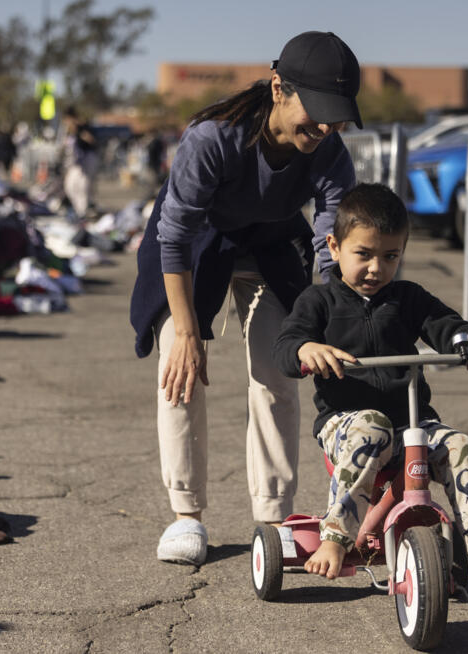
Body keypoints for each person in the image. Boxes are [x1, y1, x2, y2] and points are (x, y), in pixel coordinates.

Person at [129, 31, 362, 566]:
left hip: (274, 243)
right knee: (178, 366)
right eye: (319, 112)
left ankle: (274, 515)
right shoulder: (213, 137)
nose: (327, 128)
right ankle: (186, 515)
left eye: (338, 116)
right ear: (279, 87)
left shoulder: (328, 151)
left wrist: (334, 317)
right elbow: (176, 235)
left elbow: (332, 244)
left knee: (282, 369)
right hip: (196, 245)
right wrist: (187, 330)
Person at [272, 183, 468, 610]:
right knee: (372, 424)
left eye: (390, 256)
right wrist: (306, 350)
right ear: (334, 247)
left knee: (461, 446)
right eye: (364, 254)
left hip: (413, 423)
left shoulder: (408, 299)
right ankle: (337, 537)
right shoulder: (318, 301)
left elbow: (448, 326)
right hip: (347, 423)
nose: (377, 268)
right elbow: (285, 347)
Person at [60, 106, 100, 219]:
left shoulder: (82, 127)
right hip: (74, 164)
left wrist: (80, 131)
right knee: (70, 186)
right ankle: (79, 210)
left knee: (82, 187)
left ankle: (83, 212)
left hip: (86, 160)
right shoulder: (68, 130)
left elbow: (91, 140)